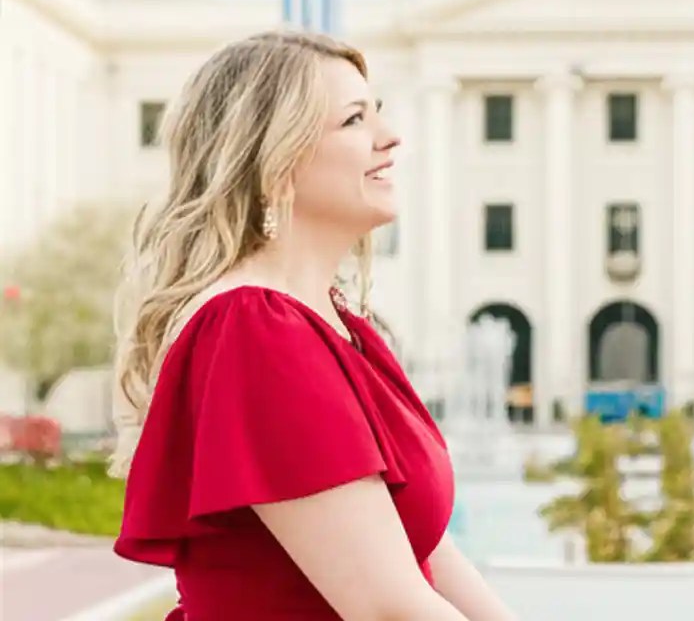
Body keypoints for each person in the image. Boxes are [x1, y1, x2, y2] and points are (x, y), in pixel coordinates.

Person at [109, 30, 517, 621]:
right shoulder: (255, 329)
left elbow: (422, 549)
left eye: (378, 112)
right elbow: (386, 608)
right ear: (276, 157)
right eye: (355, 120)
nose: (390, 137)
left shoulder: (344, 328)